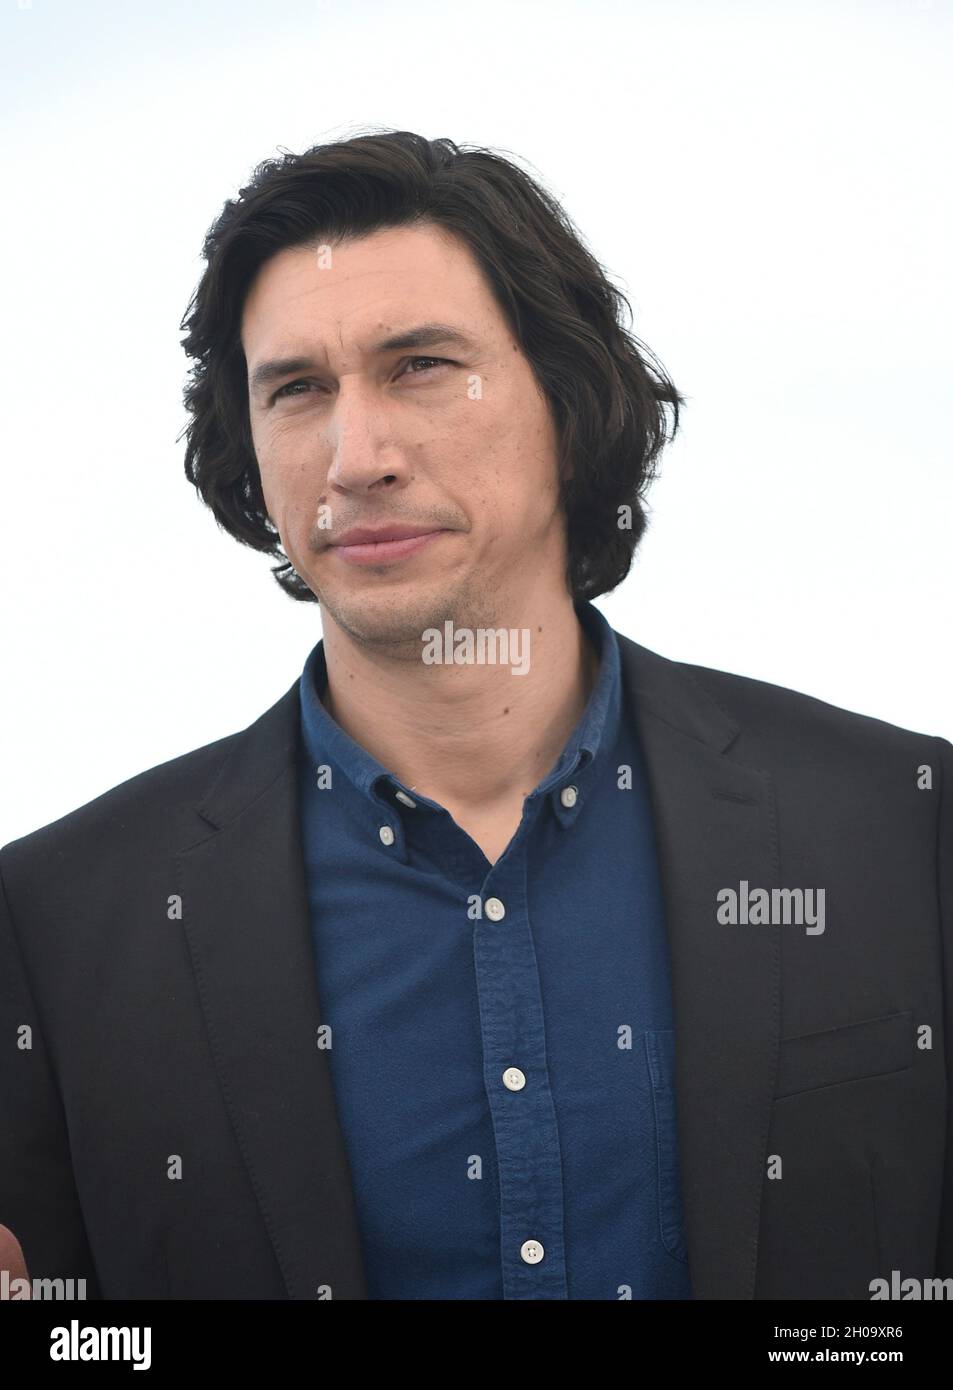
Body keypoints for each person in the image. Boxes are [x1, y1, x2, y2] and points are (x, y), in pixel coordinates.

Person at [1, 131, 950, 1301]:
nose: (356, 457)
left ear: (565, 397)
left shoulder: (899, 828)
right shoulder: (58, 925)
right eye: (296, 389)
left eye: (418, 365)